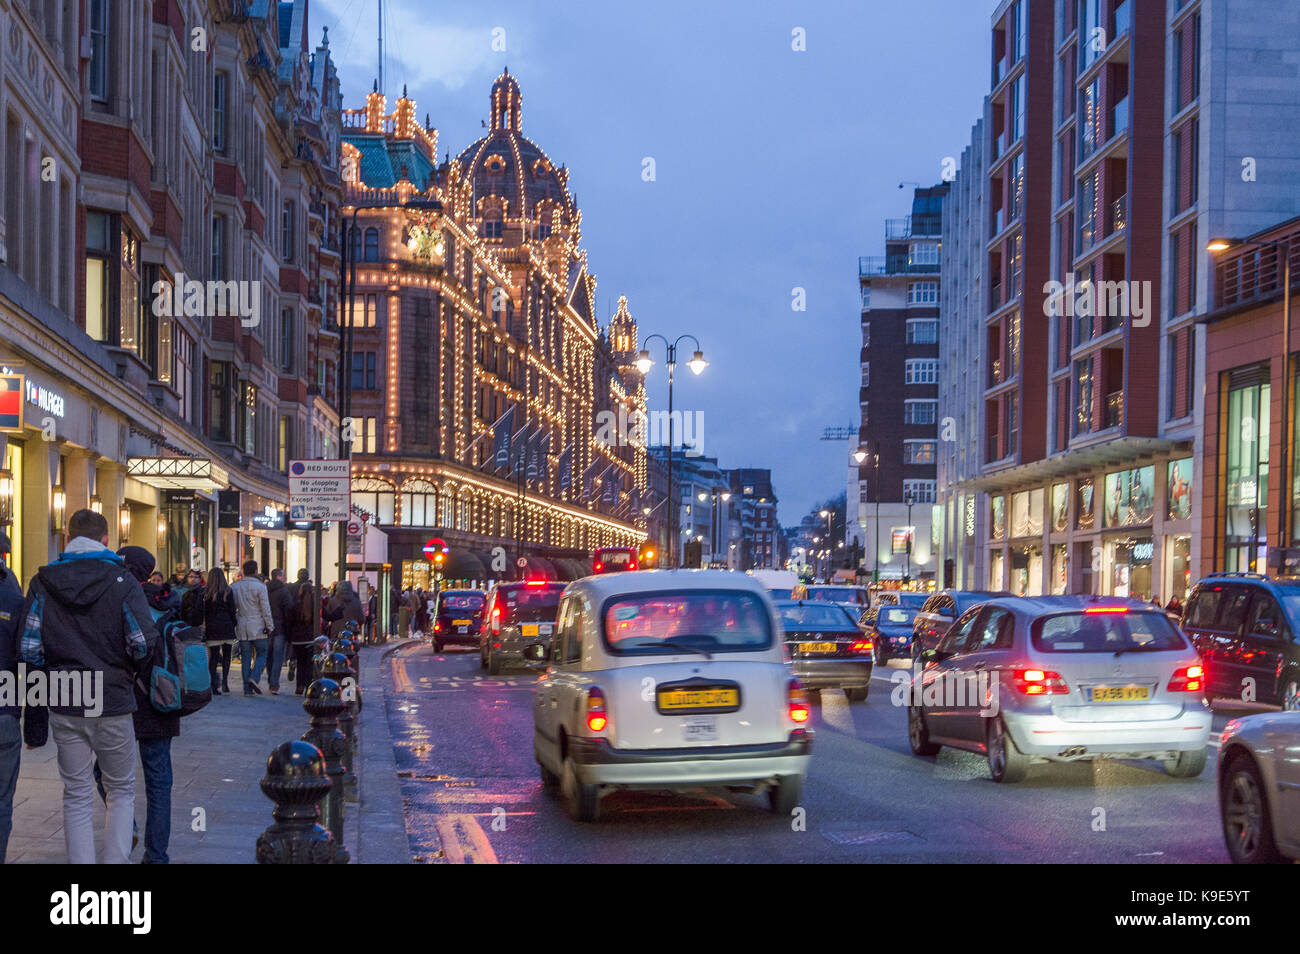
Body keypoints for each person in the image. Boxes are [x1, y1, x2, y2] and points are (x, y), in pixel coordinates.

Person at [20, 509, 157, 864]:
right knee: (121, 790)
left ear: (67, 539)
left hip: (66, 698)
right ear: (107, 540)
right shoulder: (122, 581)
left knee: (77, 792)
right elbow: (142, 642)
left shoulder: (43, 581)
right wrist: (126, 670)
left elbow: (30, 648)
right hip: (112, 699)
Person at [111, 546, 180, 864]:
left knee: (103, 771)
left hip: (122, 698)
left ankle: (130, 824)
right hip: (160, 698)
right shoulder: (166, 602)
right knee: (159, 781)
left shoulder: (117, 597)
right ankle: (157, 854)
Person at [0, 529, 46, 863]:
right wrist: (35, 728)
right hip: (4, 712)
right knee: (1, 802)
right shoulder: (16, 602)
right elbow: (32, 661)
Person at [231, 560, 273, 695]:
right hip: (258, 624)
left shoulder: (235, 586)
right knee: (262, 653)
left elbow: (233, 607)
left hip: (242, 623)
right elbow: (265, 608)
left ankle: (246, 688)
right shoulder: (260, 586)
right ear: (256, 570)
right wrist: (270, 625)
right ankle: (254, 677)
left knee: (246, 657)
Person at [193, 568, 237, 694]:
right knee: (227, 656)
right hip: (227, 626)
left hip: (212, 627)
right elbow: (232, 610)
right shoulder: (228, 591)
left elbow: (199, 611)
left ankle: (213, 685)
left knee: (213, 657)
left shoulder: (204, 592)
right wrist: (234, 624)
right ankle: (225, 683)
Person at [286, 570, 318, 694]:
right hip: (310, 637)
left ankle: (299, 686)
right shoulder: (314, 605)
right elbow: (327, 615)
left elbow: (290, 622)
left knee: (300, 663)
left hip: (297, 639)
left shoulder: (295, 605)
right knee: (309, 663)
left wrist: (290, 637)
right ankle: (309, 686)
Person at [265, 569, 294, 695]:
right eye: (283, 575)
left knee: (268, 655)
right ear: (278, 576)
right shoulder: (283, 591)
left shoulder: (265, 589)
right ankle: (274, 684)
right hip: (280, 627)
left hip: (266, 626)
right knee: (278, 657)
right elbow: (288, 609)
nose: (285, 578)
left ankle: (270, 677)